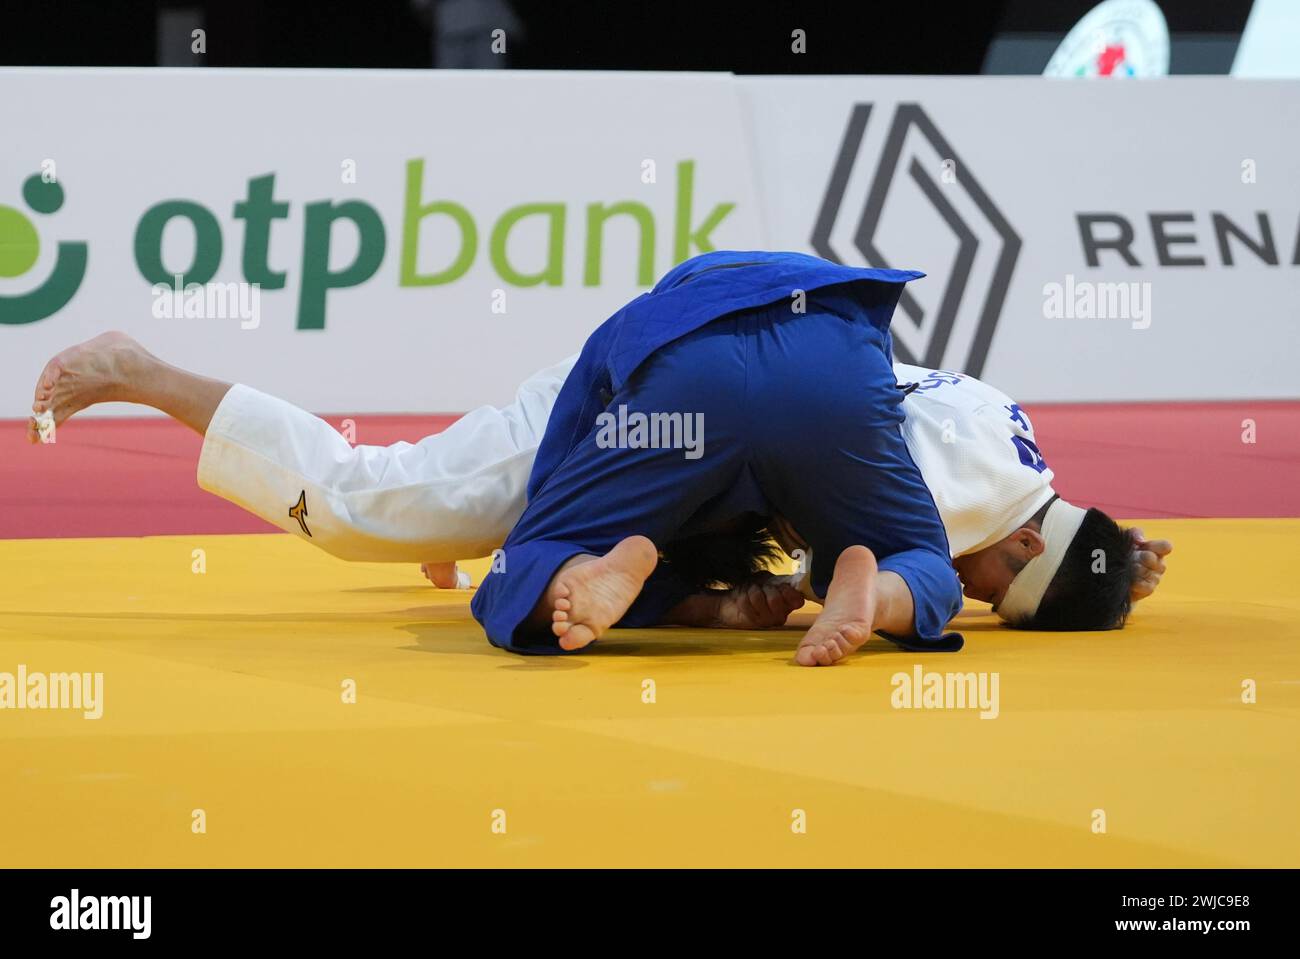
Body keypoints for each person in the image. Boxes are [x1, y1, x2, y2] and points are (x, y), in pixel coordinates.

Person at [27, 253, 1172, 651]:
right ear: (1021, 536)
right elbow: (848, 491)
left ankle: (511, 533)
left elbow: (1018, 520)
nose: (976, 592)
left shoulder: (1008, 435)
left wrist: (1109, 556)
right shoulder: (970, 509)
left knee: (452, 508)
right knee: (357, 510)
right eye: (991, 584)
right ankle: (141, 370)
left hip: (684, 350)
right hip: (667, 426)